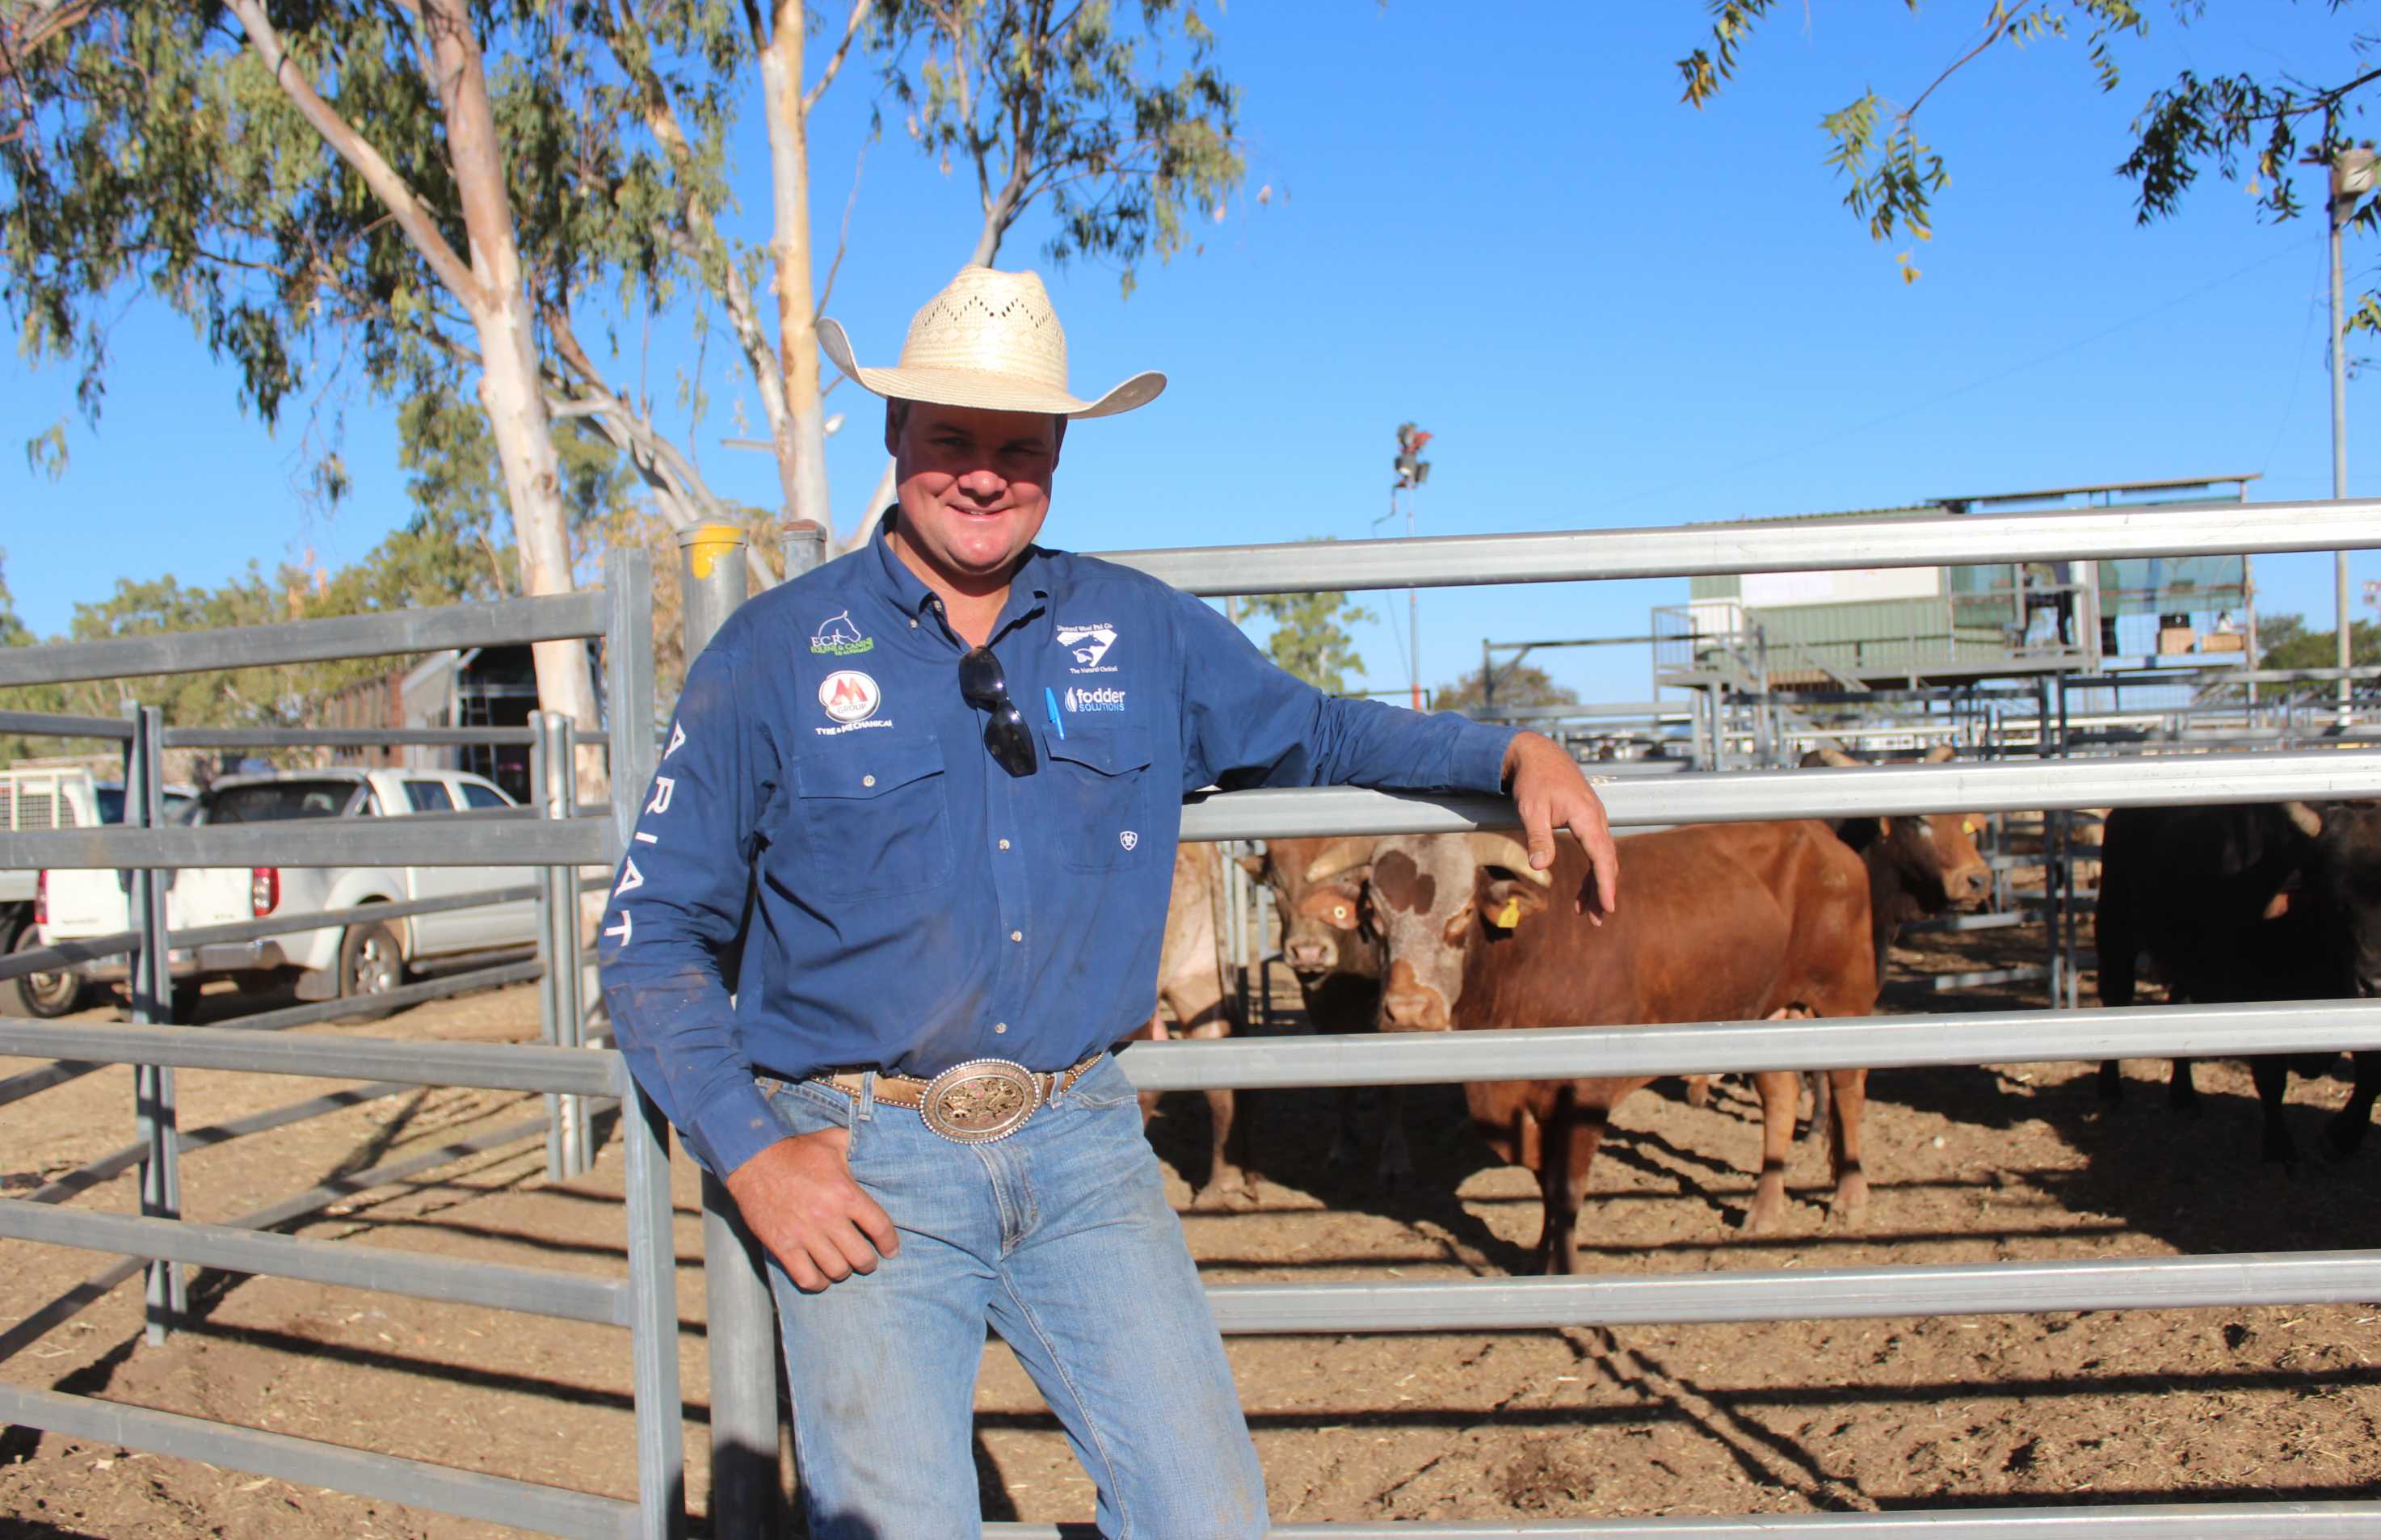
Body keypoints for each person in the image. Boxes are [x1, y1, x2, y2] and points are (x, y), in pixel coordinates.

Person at [599, 264, 1618, 1538]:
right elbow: (647, 942)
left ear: (1061, 451)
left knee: (1208, 1516)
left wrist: (1503, 755)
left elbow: (1313, 730)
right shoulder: (774, 653)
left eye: (1018, 445)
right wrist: (752, 1154)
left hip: (1082, 1139)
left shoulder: (1139, 631)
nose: (984, 474)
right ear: (895, 434)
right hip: (867, 1161)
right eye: (953, 438)